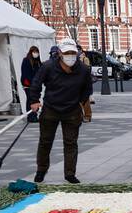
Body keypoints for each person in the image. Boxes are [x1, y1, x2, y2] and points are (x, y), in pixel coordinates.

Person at [27, 37, 92, 184]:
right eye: (67, 53)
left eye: (73, 53)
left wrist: (79, 102)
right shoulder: (48, 66)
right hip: (51, 109)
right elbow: (36, 83)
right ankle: (41, 170)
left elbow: (87, 89)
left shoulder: (83, 70)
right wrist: (35, 101)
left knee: (71, 143)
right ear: (60, 54)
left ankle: (70, 173)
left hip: (72, 110)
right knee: (45, 141)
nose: (70, 56)